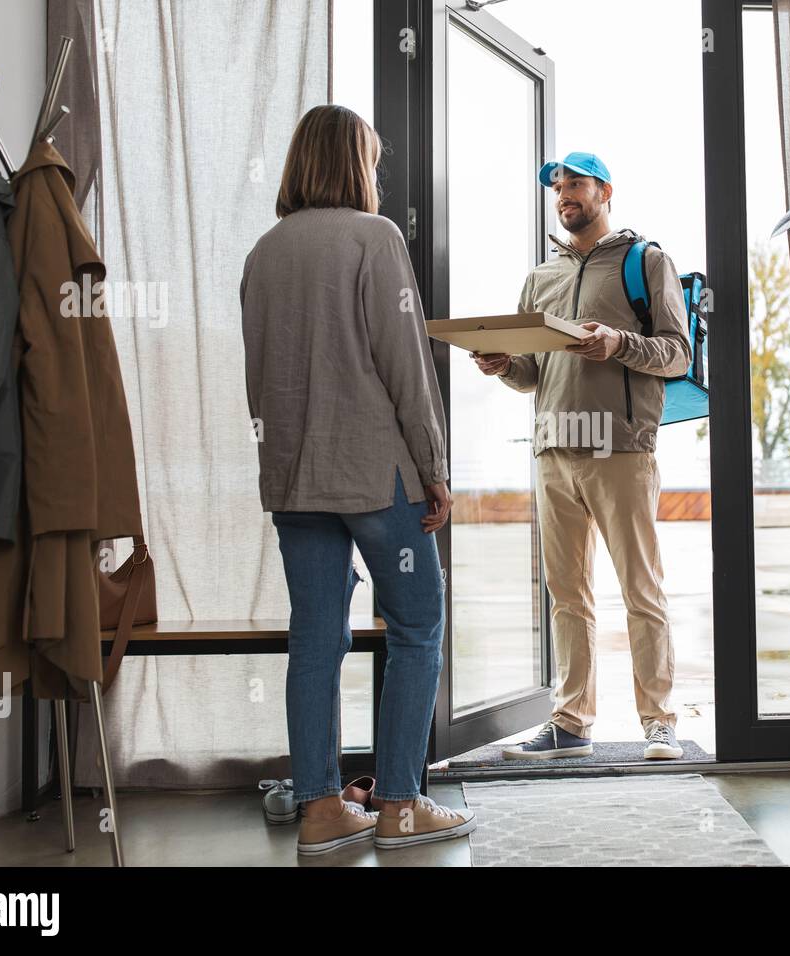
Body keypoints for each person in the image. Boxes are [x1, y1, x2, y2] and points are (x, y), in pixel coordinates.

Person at [241, 104, 475, 854]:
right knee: (416, 629)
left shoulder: (264, 252)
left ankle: (319, 810)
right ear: (353, 163)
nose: (377, 172)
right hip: (379, 478)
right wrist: (435, 470)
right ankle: (401, 804)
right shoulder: (375, 239)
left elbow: (259, 380)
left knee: (313, 639)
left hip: (293, 482)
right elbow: (405, 367)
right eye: (372, 159)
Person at [473, 151, 691, 761]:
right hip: (552, 450)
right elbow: (531, 373)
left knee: (640, 590)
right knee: (567, 595)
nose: (564, 193)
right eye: (558, 186)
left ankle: (659, 722)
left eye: (576, 184)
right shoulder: (541, 276)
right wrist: (502, 365)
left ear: (606, 191)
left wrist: (618, 343)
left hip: (620, 447)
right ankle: (571, 724)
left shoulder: (645, 261)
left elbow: (678, 354)